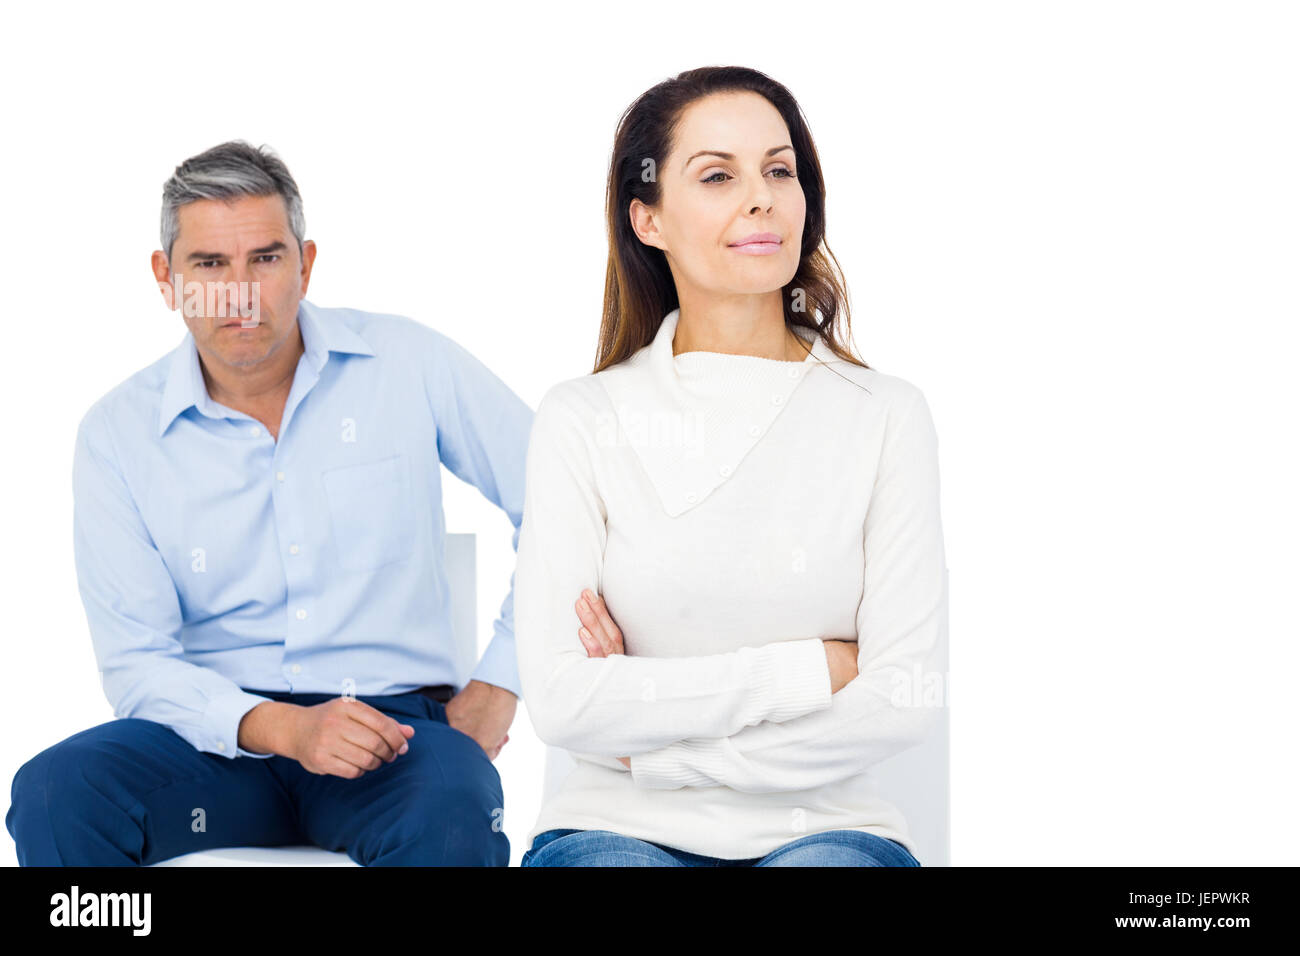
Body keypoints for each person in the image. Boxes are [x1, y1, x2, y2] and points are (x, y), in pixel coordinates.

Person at [5, 141, 527, 866]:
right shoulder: (117, 433)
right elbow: (136, 663)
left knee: (453, 806)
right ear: (167, 278)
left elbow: (567, 506)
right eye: (210, 265)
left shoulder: (411, 364)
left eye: (266, 258)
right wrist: (283, 728)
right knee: (57, 792)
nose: (239, 291)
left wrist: (500, 684)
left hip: (393, 735)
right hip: (210, 740)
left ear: (306, 264)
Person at [515, 66, 948, 867]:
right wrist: (810, 671)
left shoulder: (884, 416)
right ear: (647, 218)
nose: (763, 198)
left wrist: (657, 746)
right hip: (614, 829)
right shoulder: (585, 419)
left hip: (828, 832)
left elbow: (900, 703)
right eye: (718, 175)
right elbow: (564, 701)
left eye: (779, 171)